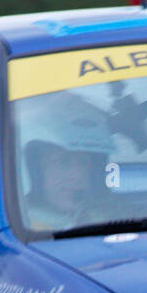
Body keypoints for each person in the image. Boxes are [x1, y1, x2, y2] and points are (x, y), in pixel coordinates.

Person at [17, 92, 114, 229]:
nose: (78, 175)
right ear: (36, 172)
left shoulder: (108, 220)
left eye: (84, 163)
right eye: (63, 162)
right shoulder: (23, 229)